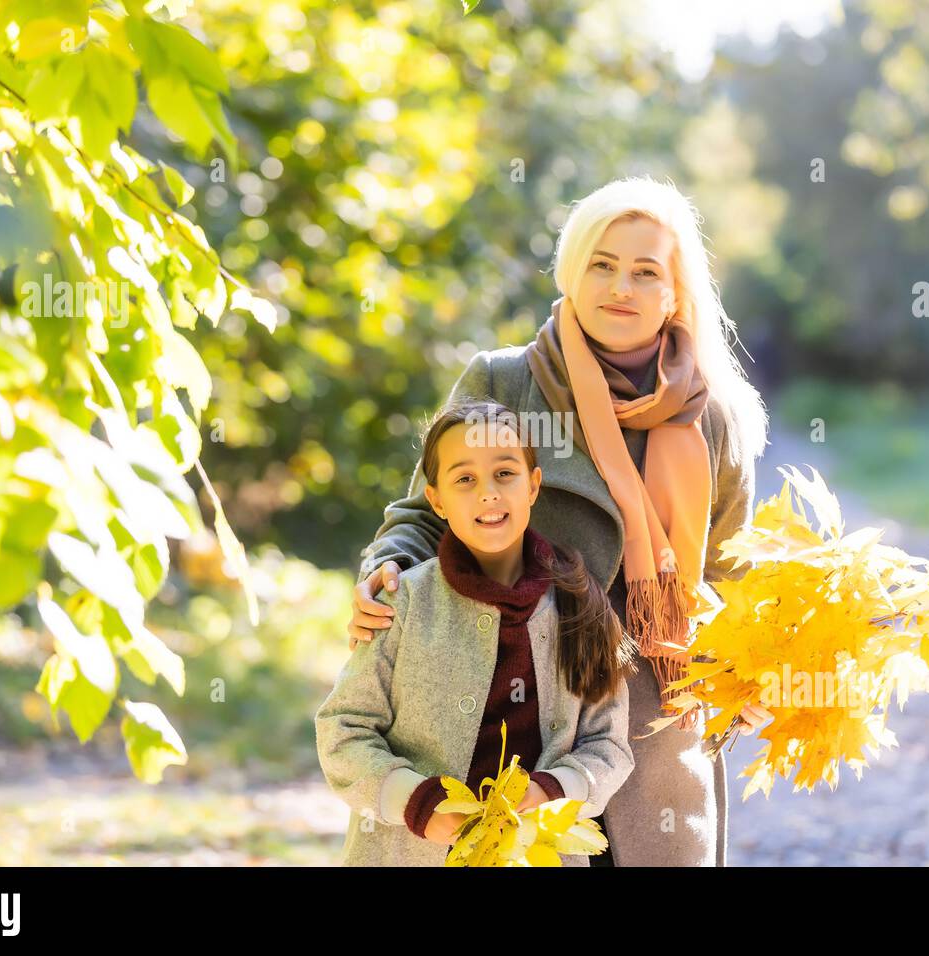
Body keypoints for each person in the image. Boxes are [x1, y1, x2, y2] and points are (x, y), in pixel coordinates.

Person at [348, 175, 773, 866]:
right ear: (573, 270)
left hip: (654, 717)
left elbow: (733, 576)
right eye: (602, 265)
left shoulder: (713, 418)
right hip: (513, 703)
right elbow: (422, 515)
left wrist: (750, 671)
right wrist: (385, 569)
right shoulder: (504, 382)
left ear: (675, 292)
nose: (620, 287)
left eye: (645, 272)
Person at [316, 399, 637, 866]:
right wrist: (417, 802)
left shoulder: (581, 609)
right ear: (437, 500)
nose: (488, 493)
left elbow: (608, 745)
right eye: (465, 479)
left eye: (504, 474)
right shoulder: (401, 601)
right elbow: (343, 730)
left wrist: (552, 791)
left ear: (533, 486)